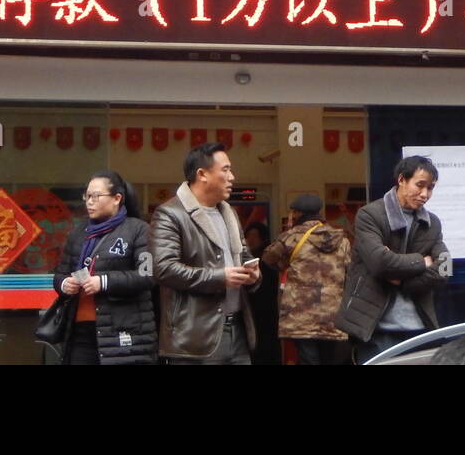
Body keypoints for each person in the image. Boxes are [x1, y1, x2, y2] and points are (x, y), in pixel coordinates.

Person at [151, 141, 261, 363]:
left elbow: (244, 257)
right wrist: (220, 277)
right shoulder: (170, 214)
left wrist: (253, 275)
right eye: (226, 170)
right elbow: (163, 269)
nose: (232, 177)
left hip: (237, 329)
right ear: (202, 174)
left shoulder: (228, 212)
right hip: (194, 337)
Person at [335, 155, 449, 364]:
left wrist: (401, 280)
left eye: (430, 188)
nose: (425, 194)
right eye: (420, 185)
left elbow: (445, 269)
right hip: (377, 328)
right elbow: (380, 263)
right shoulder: (370, 215)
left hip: (419, 328)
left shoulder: (432, 222)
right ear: (401, 180)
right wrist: (422, 262)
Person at [52, 170, 157, 364]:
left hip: (123, 331)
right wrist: (65, 284)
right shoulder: (79, 233)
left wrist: (104, 281)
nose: (89, 201)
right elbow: (60, 274)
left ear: (117, 198)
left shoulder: (139, 229)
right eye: (87, 196)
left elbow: (147, 276)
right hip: (79, 331)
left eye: (96, 196)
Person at [262, 193, 352, 365]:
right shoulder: (342, 240)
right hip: (333, 314)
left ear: (297, 214)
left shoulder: (292, 236)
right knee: (329, 359)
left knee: (307, 360)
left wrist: (283, 263)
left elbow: (267, 259)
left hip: (300, 315)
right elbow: (350, 269)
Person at [244, 221, 282, 364]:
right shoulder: (244, 260)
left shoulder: (268, 261)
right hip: (251, 312)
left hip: (268, 312)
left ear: (263, 238)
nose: (251, 240)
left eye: (255, 236)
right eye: (248, 236)